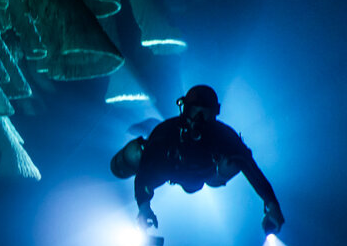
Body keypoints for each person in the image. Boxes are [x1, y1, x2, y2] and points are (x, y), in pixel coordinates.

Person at [117, 85, 285, 234]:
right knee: (136, 154)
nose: (198, 120)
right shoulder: (166, 132)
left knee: (236, 161)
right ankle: (132, 153)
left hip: (209, 174)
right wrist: (144, 206)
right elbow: (146, 169)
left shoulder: (223, 135)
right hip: (173, 171)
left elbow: (250, 167)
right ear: (184, 109)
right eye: (194, 112)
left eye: (205, 114)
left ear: (215, 114)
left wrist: (271, 203)